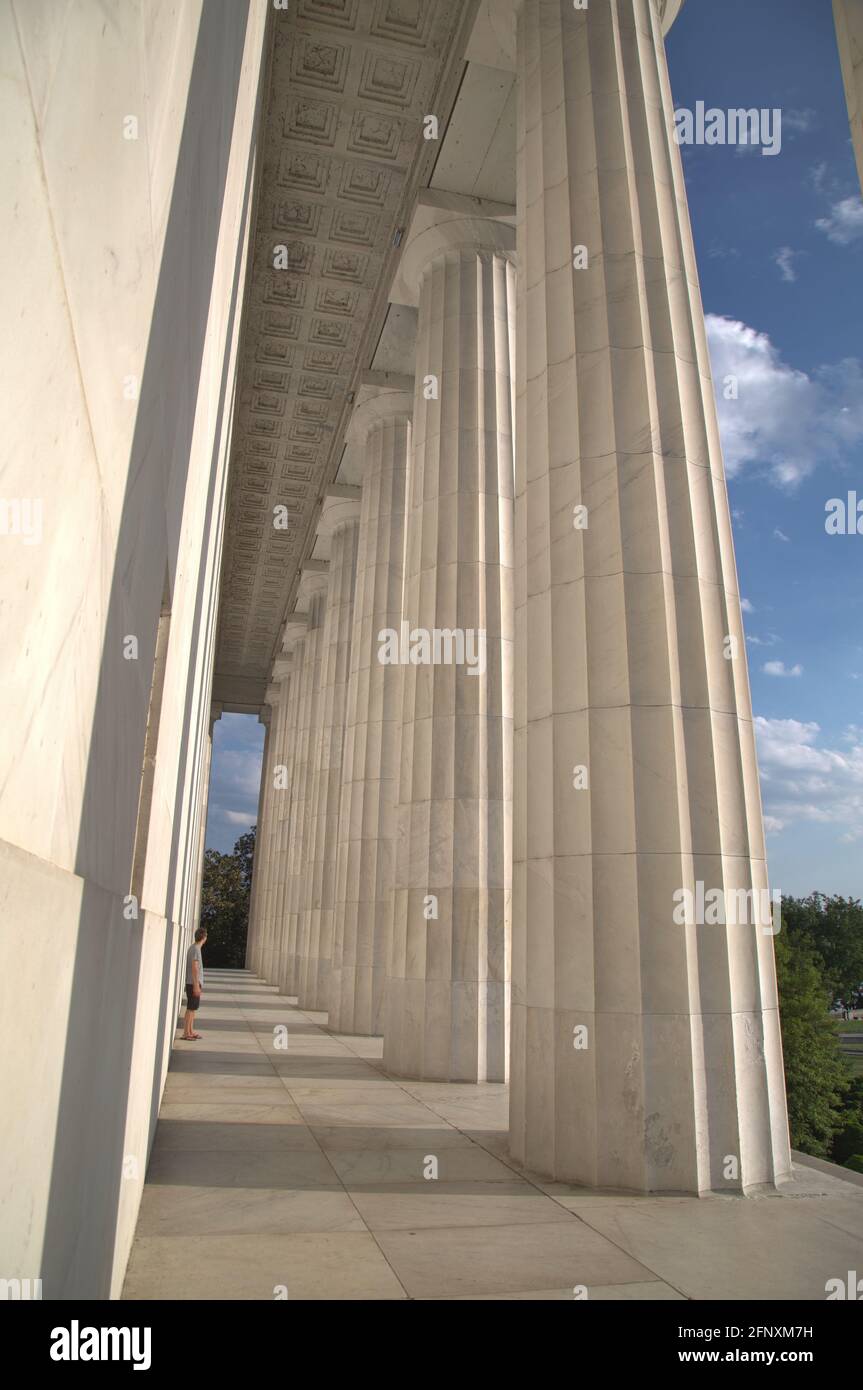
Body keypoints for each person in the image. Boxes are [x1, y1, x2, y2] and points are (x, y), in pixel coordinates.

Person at [181, 927, 207, 1040]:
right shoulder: (196, 949)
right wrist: (196, 985)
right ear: (204, 938)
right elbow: (195, 968)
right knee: (190, 1009)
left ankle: (190, 1031)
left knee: (193, 1008)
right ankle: (186, 1033)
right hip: (193, 983)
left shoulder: (193, 948)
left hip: (192, 982)